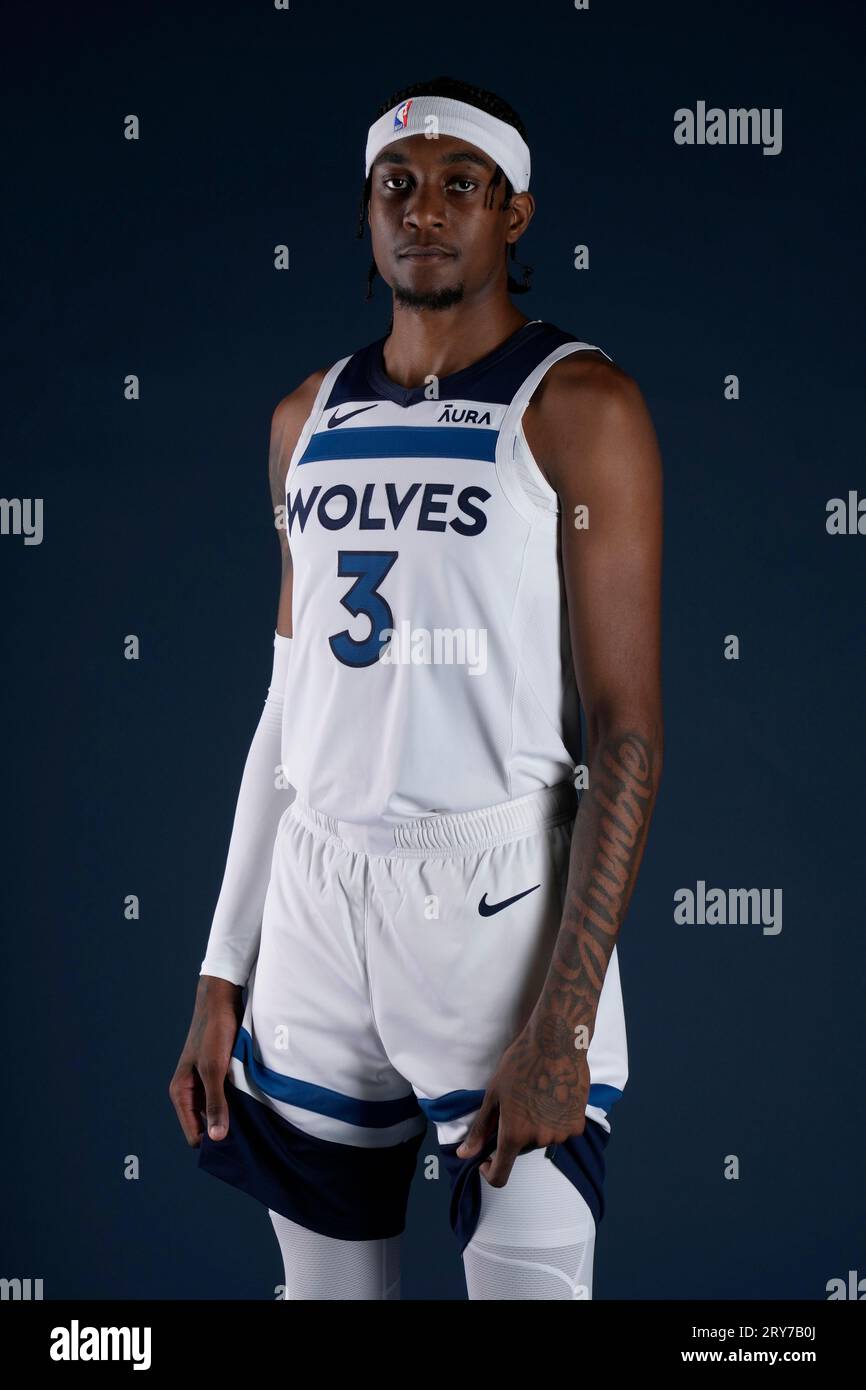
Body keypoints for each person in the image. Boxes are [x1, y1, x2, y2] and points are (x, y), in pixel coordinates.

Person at [170, 75, 664, 1301]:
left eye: (460, 184)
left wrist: (559, 1018)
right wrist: (220, 968)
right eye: (398, 184)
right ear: (364, 216)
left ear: (515, 213)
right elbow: (286, 710)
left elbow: (627, 734)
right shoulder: (307, 418)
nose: (424, 208)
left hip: (495, 905)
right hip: (317, 910)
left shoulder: (577, 407)